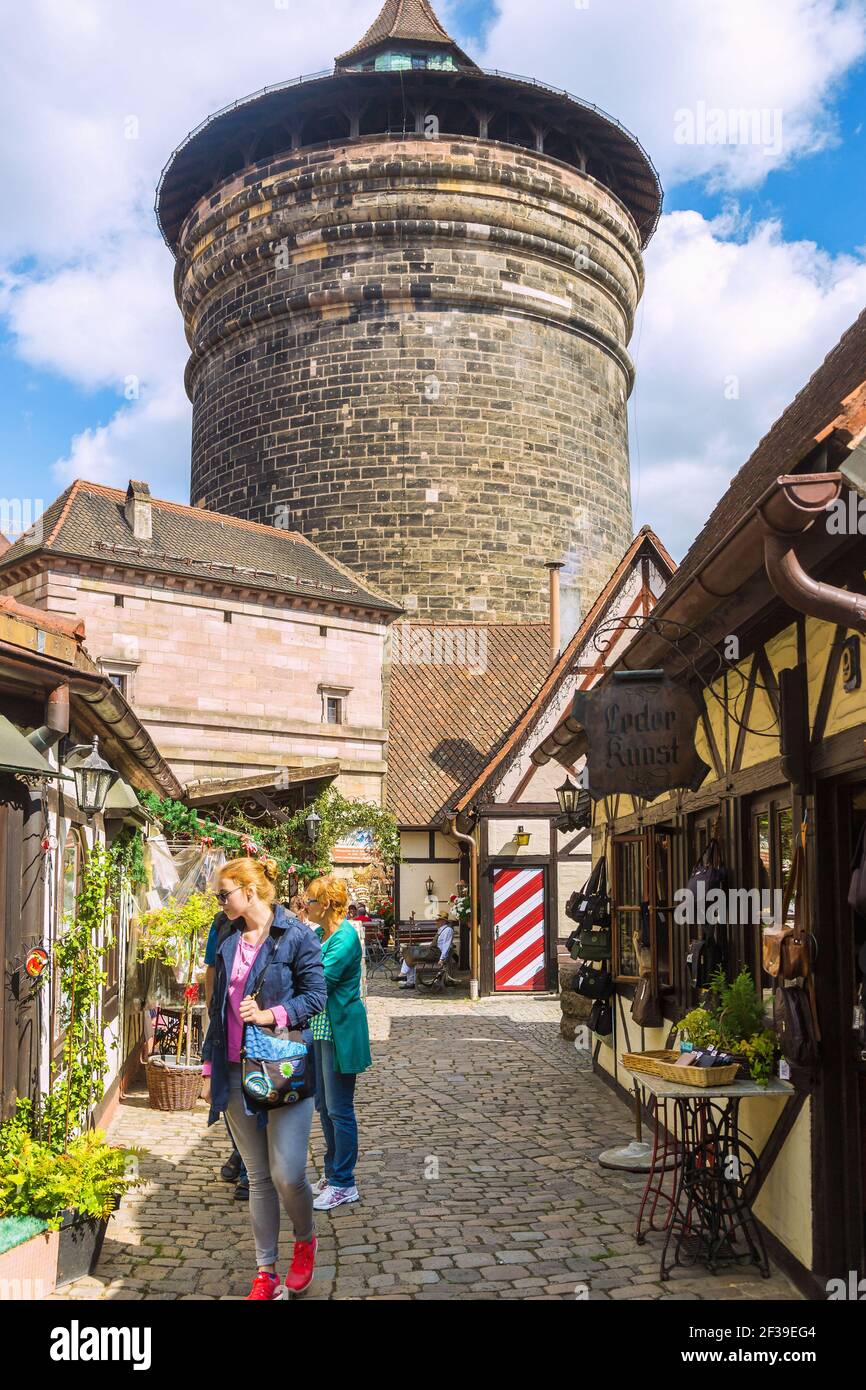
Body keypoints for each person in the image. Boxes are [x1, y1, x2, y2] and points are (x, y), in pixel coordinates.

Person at [201, 856, 326, 1301]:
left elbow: (316, 996)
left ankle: (306, 1239)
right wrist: (209, 1061)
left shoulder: (295, 935)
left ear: (250, 892)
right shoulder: (226, 936)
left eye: (225, 893)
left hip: (281, 1067)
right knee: (256, 1176)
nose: (221, 901)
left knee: (288, 1172)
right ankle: (266, 1271)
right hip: (235, 1069)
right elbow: (219, 1002)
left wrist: (274, 1014)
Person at [304, 875, 372, 1211]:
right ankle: (332, 1174)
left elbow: (318, 980)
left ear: (327, 904)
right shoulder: (319, 934)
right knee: (322, 1106)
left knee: (339, 1108)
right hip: (319, 1029)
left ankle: (345, 1183)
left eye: (311, 902)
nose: (306, 907)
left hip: (339, 1030)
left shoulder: (345, 938)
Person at [204, 911, 248, 1201]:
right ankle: (240, 1151)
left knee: (252, 1095)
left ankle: (248, 1169)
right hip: (225, 1020)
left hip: (255, 1025)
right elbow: (211, 967)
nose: (221, 901)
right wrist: (211, 1006)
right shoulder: (220, 923)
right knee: (229, 1096)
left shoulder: (272, 925)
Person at [399, 919, 454, 990]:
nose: (436, 922)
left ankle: (404, 975)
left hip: (435, 954)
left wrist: (442, 959)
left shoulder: (448, 930)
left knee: (410, 953)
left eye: (438, 921)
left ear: (443, 921)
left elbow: (446, 945)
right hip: (433, 952)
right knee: (409, 953)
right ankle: (409, 980)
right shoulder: (442, 929)